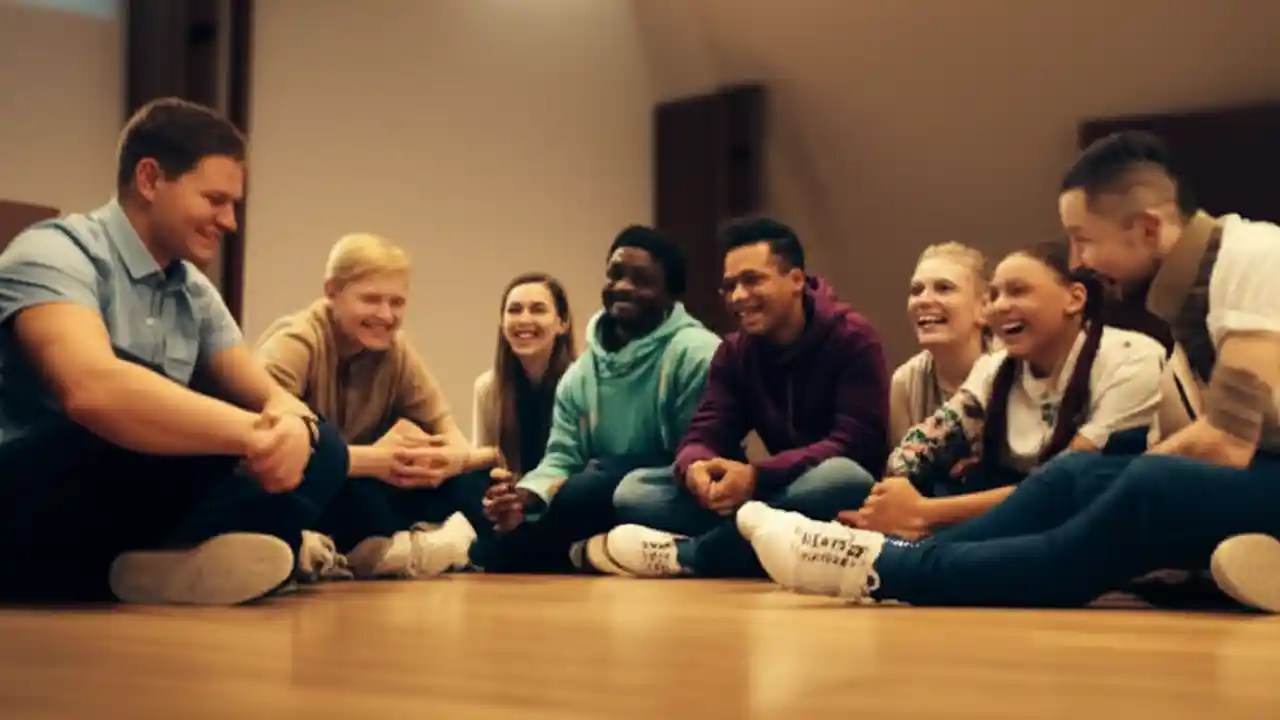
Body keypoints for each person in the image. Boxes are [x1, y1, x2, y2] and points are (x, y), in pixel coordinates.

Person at [737, 131, 1280, 613]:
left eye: (1084, 238)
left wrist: (1122, 479)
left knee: (1146, 482)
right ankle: (897, 553)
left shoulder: (1255, 261)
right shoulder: (1191, 291)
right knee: (1075, 475)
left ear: (1145, 228)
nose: (1080, 259)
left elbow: (1226, 444)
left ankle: (893, 573)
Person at [0, 97, 350, 605]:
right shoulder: (54, 251)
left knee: (327, 446)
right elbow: (92, 390)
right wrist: (256, 434)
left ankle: (158, 567)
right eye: (214, 199)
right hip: (33, 491)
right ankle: (163, 561)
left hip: (121, 496)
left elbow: (268, 395)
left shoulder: (192, 290)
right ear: (149, 179)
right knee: (136, 393)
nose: (229, 221)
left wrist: (292, 425)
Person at [590, 217, 888, 578]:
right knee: (634, 491)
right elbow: (704, 433)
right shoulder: (734, 352)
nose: (739, 297)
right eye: (730, 286)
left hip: (824, 487)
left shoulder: (852, 338)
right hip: (771, 493)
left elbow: (854, 445)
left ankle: (693, 554)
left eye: (752, 280)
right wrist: (696, 468)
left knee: (843, 477)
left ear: (796, 280)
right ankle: (765, 544)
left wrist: (756, 478)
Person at [845, 240, 1164, 540]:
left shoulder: (1130, 355)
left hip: (1102, 518)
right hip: (1021, 514)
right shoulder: (995, 368)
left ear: (1074, 298)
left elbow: (1065, 482)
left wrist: (923, 513)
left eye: (1017, 291)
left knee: (943, 550)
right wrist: (887, 503)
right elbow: (920, 448)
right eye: (995, 296)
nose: (1000, 306)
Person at [474, 226, 720, 572]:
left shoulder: (698, 353)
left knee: (615, 488)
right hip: (598, 493)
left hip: (671, 491)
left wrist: (598, 480)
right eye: (615, 275)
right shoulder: (582, 373)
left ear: (670, 294)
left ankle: (621, 551)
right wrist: (525, 497)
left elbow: (699, 456)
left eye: (641, 279)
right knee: (502, 533)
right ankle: (595, 552)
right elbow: (561, 458)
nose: (622, 287)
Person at [258, 233, 494, 579]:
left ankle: (393, 548)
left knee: (478, 482)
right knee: (345, 490)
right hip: (310, 485)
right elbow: (259, 444)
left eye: (396, 302)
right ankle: (401, 548)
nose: (385, 315)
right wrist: (375, 460)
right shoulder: (296, 342)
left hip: (365, 484)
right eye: (370, 300)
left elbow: (451, 433)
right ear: (332, 292)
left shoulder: (395, 351)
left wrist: (439, 461)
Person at [472, 272, 576, 477]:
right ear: (502, 324)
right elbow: (483, 462)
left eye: (538, 310)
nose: (525, 319)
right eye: (514, 310)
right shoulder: (487, 388)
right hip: (511, 500)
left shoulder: (583, 384)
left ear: (562, 323)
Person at [890, 242, 990, 444]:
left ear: (985, 307)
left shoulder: (1013, 369)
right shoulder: (905, 382)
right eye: (916, 290)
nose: (923, 300)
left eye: (944, 288)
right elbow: (903, 470)